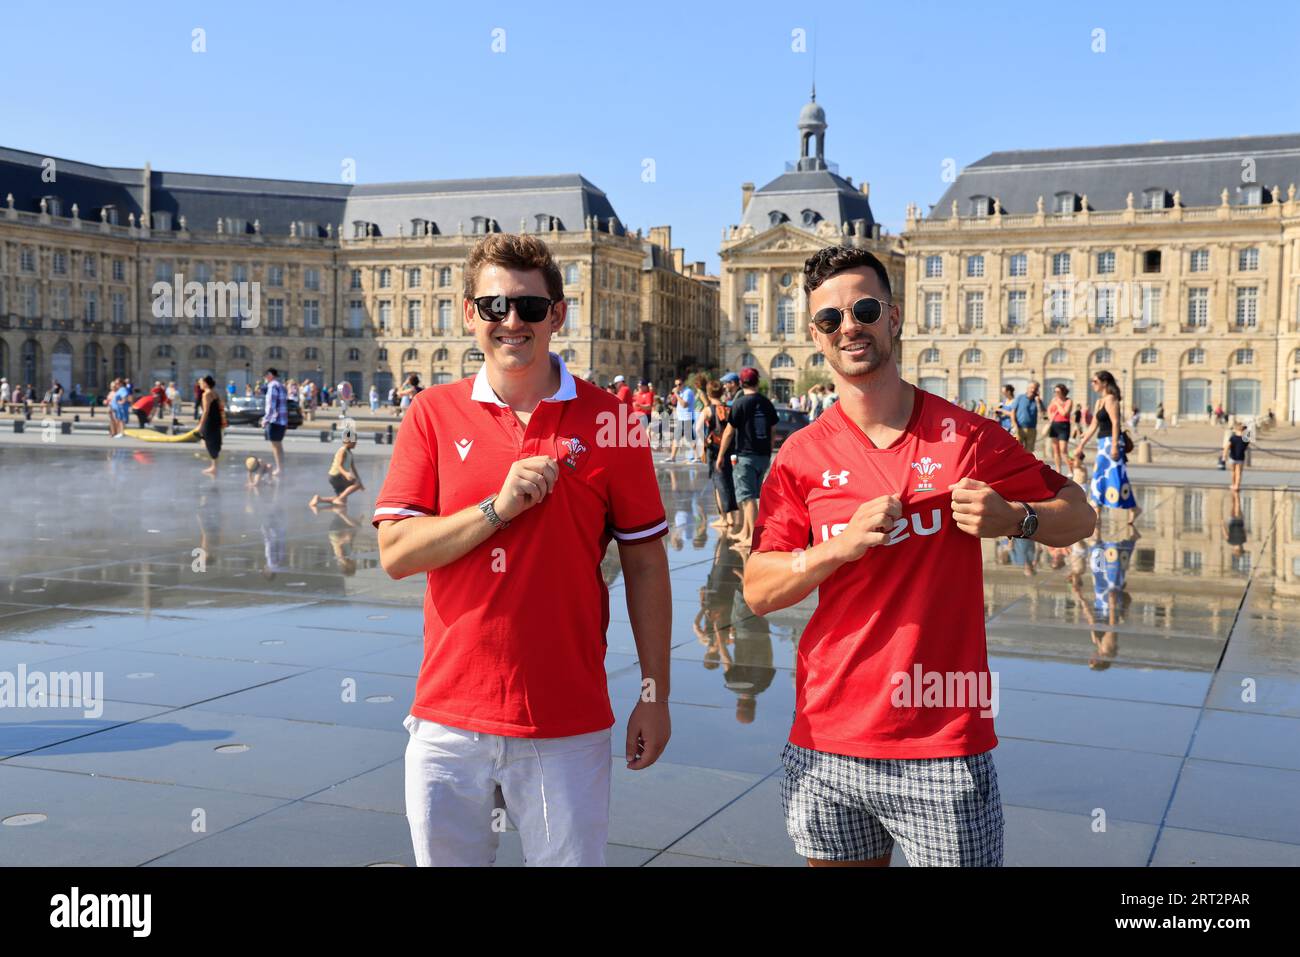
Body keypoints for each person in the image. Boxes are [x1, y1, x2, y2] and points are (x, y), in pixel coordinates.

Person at [741, 245, 1095, 867]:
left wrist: (1017, 518)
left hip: (942, 743)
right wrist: (837, 549)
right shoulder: (799, 455)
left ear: (894, 317)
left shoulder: (967, 437)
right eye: (829, 319)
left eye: (865, 308)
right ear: (816, 337)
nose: (849, 326)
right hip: (828, 740)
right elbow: (758, 590)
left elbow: (1080, 514)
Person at [374, 231, 672, 867]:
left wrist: (655, 694)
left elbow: (646, 564)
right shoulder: (432, 412)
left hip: (565, 717)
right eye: (493, 307)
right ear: (469, 313)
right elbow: (397, 553)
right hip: (449, 716)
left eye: (530, 308)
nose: (512, 322)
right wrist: (496, 509)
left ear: (557, 315)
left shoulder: (612, 421)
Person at [716, 366, 776, 550]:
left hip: (746, 455)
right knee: (751, 495)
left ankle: (752, 538)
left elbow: (728, 432)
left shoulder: (740, 403)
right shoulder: (766, 403)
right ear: (757, 382)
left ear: (741, 383)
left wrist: (720, 456)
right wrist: (769, 449)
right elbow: (772, 430)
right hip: (763, 455)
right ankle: (745, 531)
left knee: (748, 498)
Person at [1074, 370, 1140, 523]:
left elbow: (1116, 422)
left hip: (1112, 441)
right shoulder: (1100, 401)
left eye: (1095, 381)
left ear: (1104, 383)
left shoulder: (1111, 399)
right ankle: (1096, 509)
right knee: (1100, 476)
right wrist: (1081, 445)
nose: (1093, 384)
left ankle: (1133, 508)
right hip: (1103, 443)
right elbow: (1093, 426)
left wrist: (1115, 446)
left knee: (1116, 477)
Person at [701, 380, 739, 533]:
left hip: (714, 449)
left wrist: (701, 446)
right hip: (728, 447)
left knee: (718, 484)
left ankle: (724, 518)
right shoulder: (728, 408)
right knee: (728, 481)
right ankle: (730, 517)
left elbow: (697, 428)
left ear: (709, 393)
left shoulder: (707, 410)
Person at [311, 428, 364, 508]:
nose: (356, 443)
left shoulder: (349, 453)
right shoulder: (342, 451)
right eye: (354, 441)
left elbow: (353, 468)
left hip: (339, 476)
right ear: (348, 441)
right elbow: (339, 465)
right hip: (336, 475)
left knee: (343, 499)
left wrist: (359, 480)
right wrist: (347, 474)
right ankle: (339, 499)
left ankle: (319, 499)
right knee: (345, 495)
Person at [260, 367, 288, 475]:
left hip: (274, 420)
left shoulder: (272, 386)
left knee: (275, 445)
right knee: (279, 445)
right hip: (282, 420)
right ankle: (281, 467)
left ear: (270, 375)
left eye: (266, 376)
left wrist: (265, 419)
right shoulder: (281, 386)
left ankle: (279, 469)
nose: (265, 378)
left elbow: (271, 405)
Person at [197, 375, 226, 476]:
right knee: (214, 442)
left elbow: (205, 411)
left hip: (209, 421)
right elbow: (221, 405)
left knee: (209, 442)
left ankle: (214, 467)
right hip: (216, 420)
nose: (199, 384)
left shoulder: (206, 394)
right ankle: (214, 466)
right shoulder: (214, 393)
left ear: (205, 383)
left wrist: (200, 425)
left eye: (200, 382)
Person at [1010, 380, 1046, 454]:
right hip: (1019, 428)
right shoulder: (1020, 398)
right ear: (1027, 388)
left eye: (1035, 388)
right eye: (1031, 388)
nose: (1033, 390)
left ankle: (1026, 465)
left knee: (1029, 452)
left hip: (1032, 429)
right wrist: (1014, 425)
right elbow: (1013, 412)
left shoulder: (1037, 400)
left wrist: (1039, 402)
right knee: (1017, 450)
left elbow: (1043, 413)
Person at [1046, 384, 1074, 473]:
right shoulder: (1053, 400)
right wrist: (1050, 417)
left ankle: (1070, 470)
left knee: (1063, 450)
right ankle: (1058, 470)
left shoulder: (1068, 401)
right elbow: (1049, 410)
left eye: (1058, 391)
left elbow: (1064, 413)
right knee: (1055, 450)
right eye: (1055, 391)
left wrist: (1057, 404)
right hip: (1054, 426)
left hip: (1064, 426)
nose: (1056, 393)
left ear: (1063, 392)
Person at [667, 376, 695, 462]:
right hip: (681, 418)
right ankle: (672, 457)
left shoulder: (688, 392)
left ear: (683, 384)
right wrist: (673, 398)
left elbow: (684, 404)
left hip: (687, 418)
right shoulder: (681, 392)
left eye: (679, 384)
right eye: (676, 385)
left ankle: (698, 457)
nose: (677, 386)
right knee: (676, 438)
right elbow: (675, 403)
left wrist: (676, 394)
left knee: (689, 439)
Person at [1223, 421, 1249, 491]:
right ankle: (1237, 486)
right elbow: (1246, 447)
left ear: (1236, 429)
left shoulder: (1233, 437)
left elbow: (1227, 447)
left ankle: (1233, 484)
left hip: (1233, 457)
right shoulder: (1245, 439)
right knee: (1239, 472)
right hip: (1241, 457)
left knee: (1233, 472)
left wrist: (1224, 456)